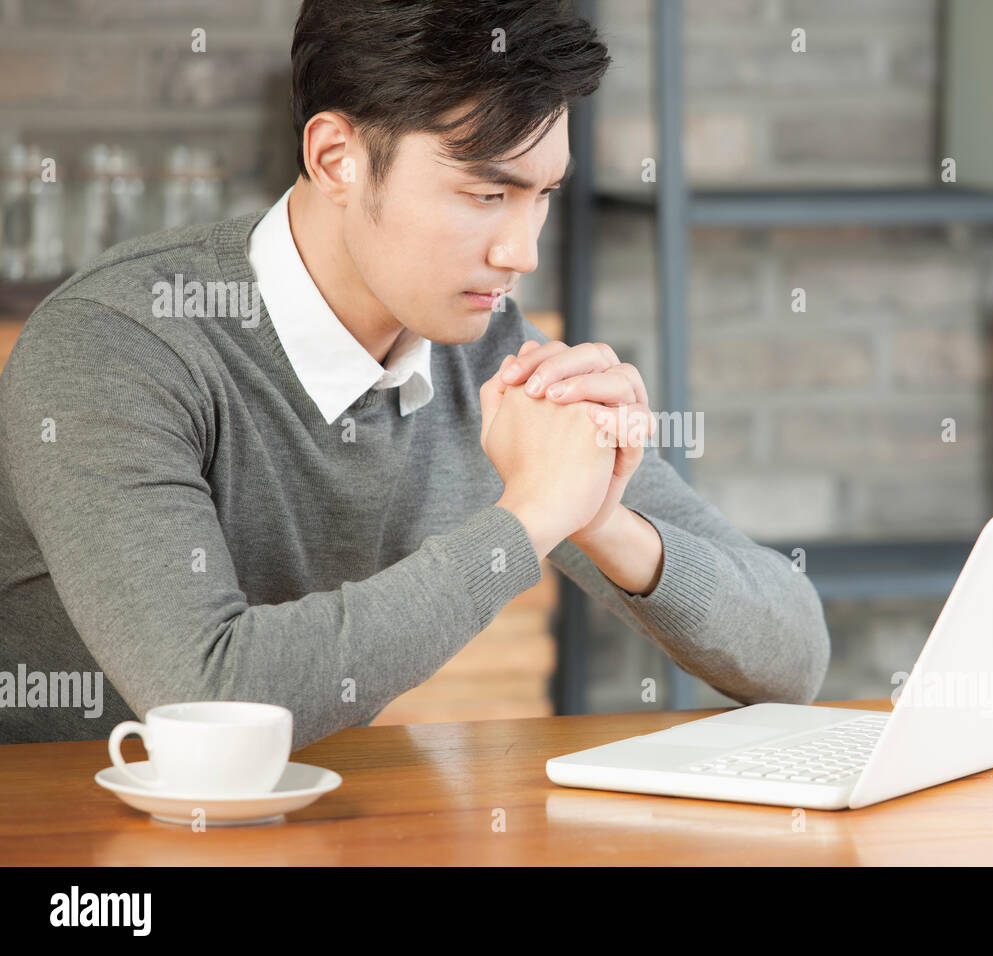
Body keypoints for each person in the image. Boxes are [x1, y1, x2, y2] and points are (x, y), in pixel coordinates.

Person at [0, 0, 829, 749]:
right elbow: (210, 696)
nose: (522, 254)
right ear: (336, 158)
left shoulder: (486, 351)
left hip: (305, 824)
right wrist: (529, 519)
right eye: (484, 194)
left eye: (542, 196)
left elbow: (794, 658)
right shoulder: (116, 347)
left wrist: (604, 518)